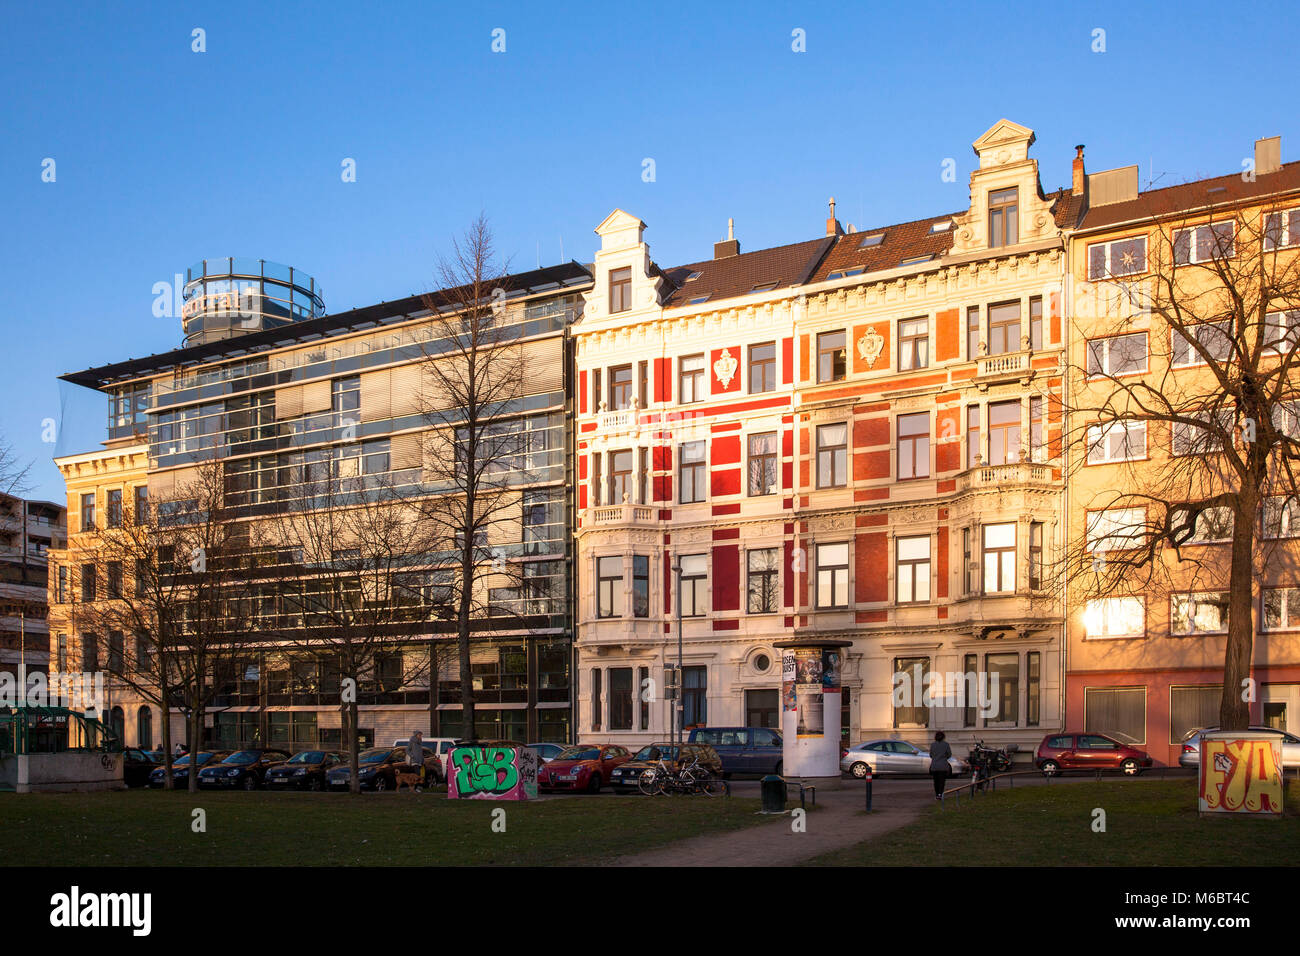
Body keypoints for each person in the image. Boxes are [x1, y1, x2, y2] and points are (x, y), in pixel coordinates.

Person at [929, 731, 953, 800]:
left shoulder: (933, 745)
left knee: (936, 781)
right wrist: (944, 758)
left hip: (935, 766)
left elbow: (930, 755)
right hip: (943, 766)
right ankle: (940, 794)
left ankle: (937, 794)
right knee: (942, 781)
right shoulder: (946, 744)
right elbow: (949, 754)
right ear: (943, 737)